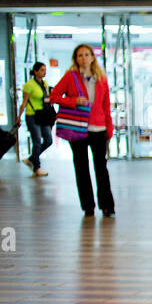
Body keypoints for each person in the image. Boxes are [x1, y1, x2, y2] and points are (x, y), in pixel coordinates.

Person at [49, 44, 115, 217]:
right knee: (81, 167)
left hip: (98, 127)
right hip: (77, 127)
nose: (84, 58)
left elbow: (106, 105)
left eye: (87, 55)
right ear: (75, 59)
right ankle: (88, 206)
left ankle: (107, 205)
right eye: (80, 55)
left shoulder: (101, 78)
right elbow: (54, 96)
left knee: (101, 167)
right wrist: (72, 101)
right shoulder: (70, 77)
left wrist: (109, 128)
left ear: (92, 57)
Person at [17, 62, 53, 177]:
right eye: (42, 70)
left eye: (45, 70)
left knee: (48, 140)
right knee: (37, 140)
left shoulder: (45, 83)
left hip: (43, 115)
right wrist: (19, 117)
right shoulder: (29, 85)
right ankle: (36, 167)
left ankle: (32, 158)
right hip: (32, 115)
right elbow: (24, 102)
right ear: (36, 71)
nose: (44, 72)